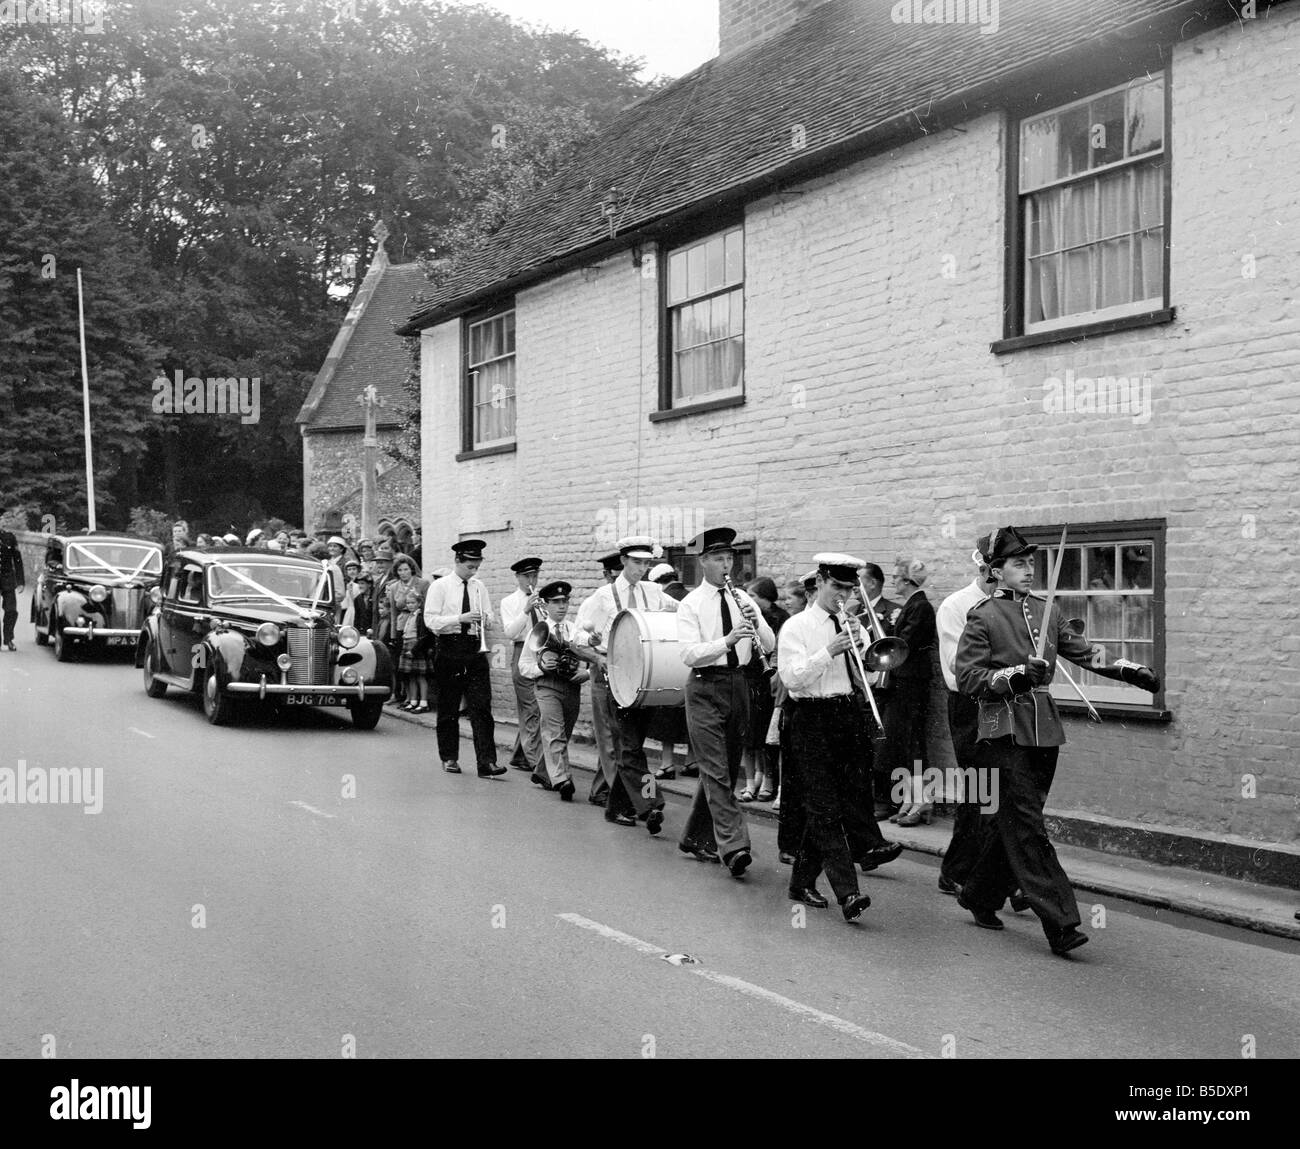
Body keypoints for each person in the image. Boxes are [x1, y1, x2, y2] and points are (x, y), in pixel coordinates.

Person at [954, 526, 1160, 956]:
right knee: (1027, 825)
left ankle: (978, 894)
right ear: (996, 571)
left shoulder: (1048, 611)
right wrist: (1014, 676)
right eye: (1019, 564)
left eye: (1031, 563)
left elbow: (1087, 652)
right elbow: (969, 678)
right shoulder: (983, 616)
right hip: (1003, 732)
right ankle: (1061, 922)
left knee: (1017, 822)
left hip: (1043, 730)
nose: (1029, 571)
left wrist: (1128, 670)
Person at [776, 554, 879, 921]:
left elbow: (871, 667)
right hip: (810, 717)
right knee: (824, 807)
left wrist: (865, 651)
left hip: (846, 713)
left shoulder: (851, 623)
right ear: (819, 583)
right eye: (836, 587)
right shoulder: (796, 627)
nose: (842, 595)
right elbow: (792, 678)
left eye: (849, 589)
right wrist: (829, 651)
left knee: (845, 799)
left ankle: (800, 882)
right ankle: (848, 892)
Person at [675, 527, 775, 877]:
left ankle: (694, 837)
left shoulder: (741, 598)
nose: (726, 564)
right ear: (703, 562)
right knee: (715, 769)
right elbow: (689, 654)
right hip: (704, 686)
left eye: (730, 558)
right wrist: (727, 640)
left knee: (728, 770)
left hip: (739, 685)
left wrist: (754, 618)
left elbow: (770, 642)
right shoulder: (691, 604)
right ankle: (734, 846)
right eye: (718, 558)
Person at [572, 535, 679, 835]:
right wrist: (593, 649)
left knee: (630, 744)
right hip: (613, 675)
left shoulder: (654, 592)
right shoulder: (602, 597)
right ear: (623, 561)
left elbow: (682, 612)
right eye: (636, 562)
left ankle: (618, 807)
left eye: (646, 563)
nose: (642, 569)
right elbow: (577, 635)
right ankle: (650, 802)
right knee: (628, 744)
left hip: (643, 678)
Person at [934, 536, 999, 896]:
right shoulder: (957, 605)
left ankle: (1003, 877)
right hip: (972, 705)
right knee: (980, 790)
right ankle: (957, 870)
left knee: (1005, 792)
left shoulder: (1014, 606)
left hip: (1008, 704)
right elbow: (958, 668)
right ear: (987, 570)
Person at [424, 540, 505, 777]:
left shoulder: (479, 586)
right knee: (449, 706)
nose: (474, 571)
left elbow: (490, 615)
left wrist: (486, 619)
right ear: (457, 561)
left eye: (477, 566)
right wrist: (460, 618)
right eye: (470, 566)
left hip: (474, 649)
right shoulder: (440, 586)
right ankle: (449, 757)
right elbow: (431, 621)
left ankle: (487, 762)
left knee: (481, 707)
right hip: (449, 648)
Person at [518, 580, 600, 801]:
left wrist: (591, 647)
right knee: (554, 731)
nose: (562, 606)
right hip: (546, 686)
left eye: (565, 601)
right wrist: (541, 668)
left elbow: (585, 642)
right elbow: (523, 665)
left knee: (564, 733)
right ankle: (563, 780)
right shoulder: (538, 630)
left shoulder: (574, 628)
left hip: (571, 686)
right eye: (556, 602)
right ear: (546, 605)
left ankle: (543, 773)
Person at [887, 557, 938, 826]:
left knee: (915, 741)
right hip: (904, 680)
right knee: (906, 742)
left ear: (907, 582)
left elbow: (902, 643)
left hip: (912, 682)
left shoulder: (920, 607)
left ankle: (923, 801)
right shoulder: (913, 605)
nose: (893, 581)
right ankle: (910, 800)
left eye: (896, 577)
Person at [859, 563, 904, 817]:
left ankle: (883, 800)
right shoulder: (855, 612)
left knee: (883, 747)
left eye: (860, 582)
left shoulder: (893, 612)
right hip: (863, 687)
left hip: (885, 687)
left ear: (873, 583)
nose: (855, 588)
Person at [738, 575, 786, 802]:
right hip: (749, 675)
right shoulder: (746, 613)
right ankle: (752, 780)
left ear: (765, 598)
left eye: (754, 595)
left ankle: (767, 779)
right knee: (749, 732)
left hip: (767, 680)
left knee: (765, 734)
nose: (750, 599)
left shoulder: (780, 618)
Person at [500, 557, 546, 776]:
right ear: (518, 577)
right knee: (531, 707)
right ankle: (536, 761)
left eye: (535, 575)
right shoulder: (509, 602)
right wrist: (526, 610)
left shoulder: (542, 598)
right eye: (527, 576)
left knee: (536, 706)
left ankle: (520, 754)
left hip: (542, 653)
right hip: (522, 651)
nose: (532, 580)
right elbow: (510, 632)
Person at [397, 577, 432, 713]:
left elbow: (424, 635)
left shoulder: (420, 617)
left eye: (413, 602)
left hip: (417, 647)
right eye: (408, 603)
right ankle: (413, 701)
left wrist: (415, 649)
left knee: (420, 676)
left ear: (419, 603)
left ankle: (423, 702)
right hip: (407, 645)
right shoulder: (409, 616)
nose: (410, 605)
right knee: (410, 675)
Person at [0, 529, 26, 652]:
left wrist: (20, 582)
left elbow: (17, 560)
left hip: (7, 578)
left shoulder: (9, 537)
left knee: (11, 610)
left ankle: (8, 638)